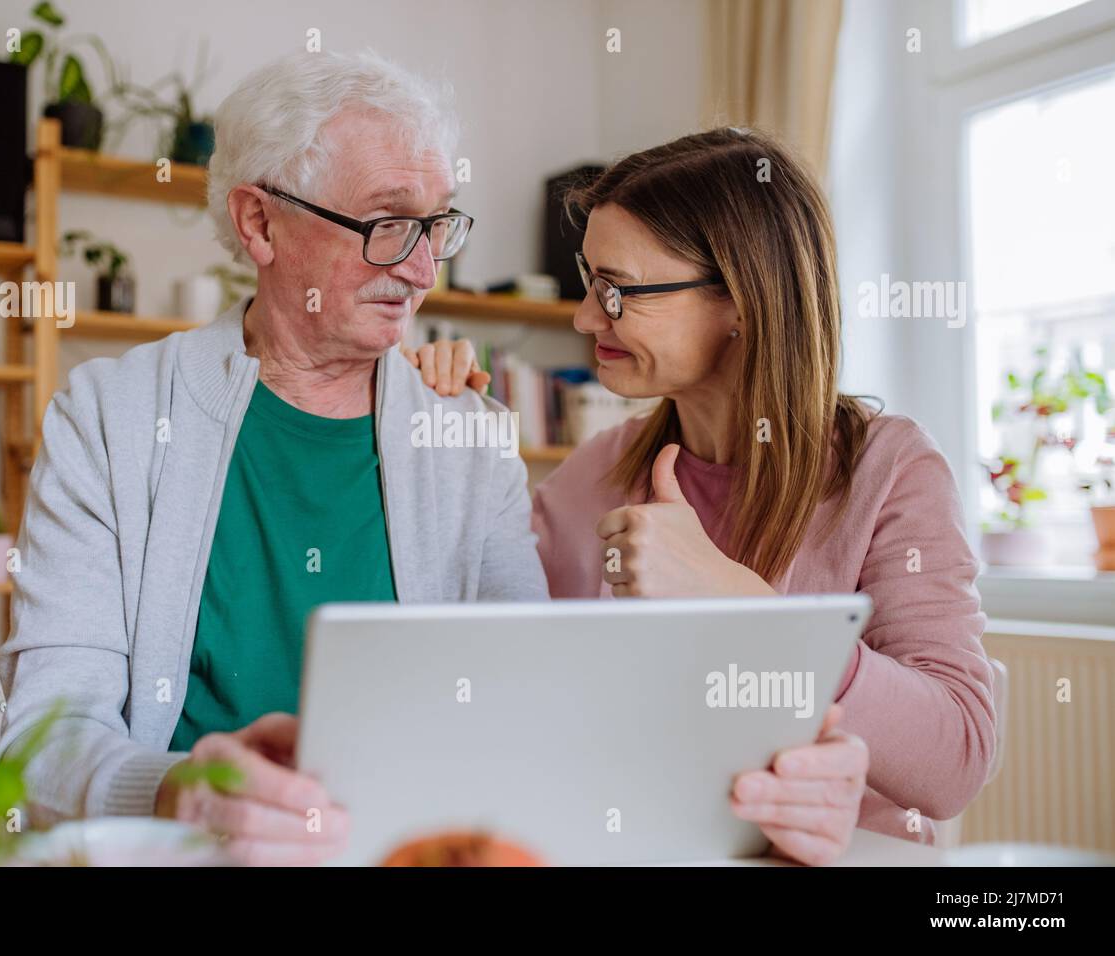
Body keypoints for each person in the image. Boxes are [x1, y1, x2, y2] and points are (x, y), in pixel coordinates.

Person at [0, 49, 546, 867]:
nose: (425, 270)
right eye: (389, 223)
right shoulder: (109, 417)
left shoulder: (469, 439)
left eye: (437, 225)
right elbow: (45, 737)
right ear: (259, 223)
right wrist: (174, 789)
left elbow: (527, 704)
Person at [413, 128, 995, 864]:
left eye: (617, 290)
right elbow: (474, 652)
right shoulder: (601, 470)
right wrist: (431, 441)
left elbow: (958, 761)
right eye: (588, 281)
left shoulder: (890, 471)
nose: (587, 318)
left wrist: (749, 609)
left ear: (743, 304)